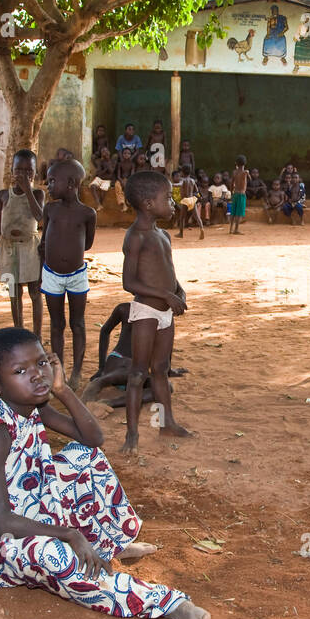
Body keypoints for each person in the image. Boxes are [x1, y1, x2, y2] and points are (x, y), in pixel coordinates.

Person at [0, 327, 209, 619]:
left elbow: (93, 438)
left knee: (85, 456)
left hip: (24, 502)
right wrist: (69, 534)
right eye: (20, 371)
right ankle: (168, 604)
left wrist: (63, 390)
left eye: (42, 363)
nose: (37, 375)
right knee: (53, 556)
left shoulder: (29, 403)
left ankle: (107, 545)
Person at [121, 170, 191, 452]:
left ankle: (166, 423)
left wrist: (179, 290)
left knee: (160, 369)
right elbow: (129, 282)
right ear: (149, 204)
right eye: (168, 198)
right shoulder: (135, 237)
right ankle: (132, 435)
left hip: (165, 314)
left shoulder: (163, 235)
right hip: (146, 312)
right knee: (138, 373)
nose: (173, 203)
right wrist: (165, 295)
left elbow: (169, 272)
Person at [40, 159, 97, 390]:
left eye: (53, 181)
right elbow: (44, 240)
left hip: (77, 276)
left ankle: (77, 372)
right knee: (56, 324)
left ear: (71, 183)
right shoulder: (50, 209)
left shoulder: (87, 214)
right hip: (51, 275)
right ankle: (59, 370)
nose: (49, 185)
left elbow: (88, 244)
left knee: (78, 323)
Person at [80, 301, 187, 407]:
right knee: (133, 369)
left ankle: (111, 403)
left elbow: (167, 345)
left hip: (139, 371)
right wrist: (101, 367)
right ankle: (99, 383)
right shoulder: (125, 309)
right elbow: (105, 331)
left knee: (167, 387)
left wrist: (168, 370)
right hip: (119, 361)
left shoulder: (164, 315)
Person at [0, 150, 44, 337]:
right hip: (8, 248)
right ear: (12, 172)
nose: (23, 174)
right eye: (18, 170)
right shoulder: (4, 195)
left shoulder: (37, 194)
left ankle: (37, 335)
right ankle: (19, 332)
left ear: (35, 173)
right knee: (14, 293)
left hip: (30, 247)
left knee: (35, 292)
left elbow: (40, 217)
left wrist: (28, 189)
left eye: (28, 170)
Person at [175, 168, 205, 239]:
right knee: (197, 217)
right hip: (192, 199)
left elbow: (180, 186)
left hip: (185, 200)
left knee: (182, 218)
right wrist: (199, 198)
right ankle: (201, 229)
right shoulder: (192, 181)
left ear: (182, 173)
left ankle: (181, 233)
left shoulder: (183, 181)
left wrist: (172, 185)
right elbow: (197, 191)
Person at [230, 156, 249, 234]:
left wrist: (231, 192)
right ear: (245, 163)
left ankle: (231, 229)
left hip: (235, 193)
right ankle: (236, 229)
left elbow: (231, 183)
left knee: (233, 212)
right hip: (241, 194)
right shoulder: (245, 172)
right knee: (239, 213)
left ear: (236, 163)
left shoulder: (234, 172)